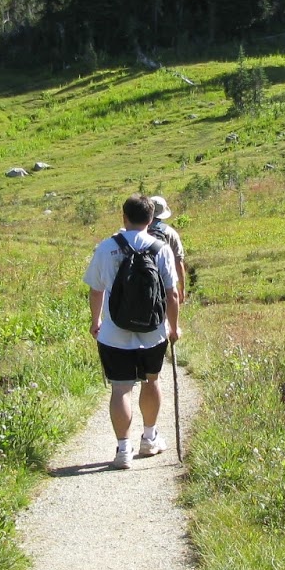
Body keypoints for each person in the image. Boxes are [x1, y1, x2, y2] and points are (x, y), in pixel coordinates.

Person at [83, 194, 181, 469]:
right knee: (152, 381)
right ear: (151, 220)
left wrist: (96, 321)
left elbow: (96, 289)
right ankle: (149, 439)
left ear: (123, 217)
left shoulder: (106, 248)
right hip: (153, 332)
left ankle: (123, 450)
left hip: (115, 333)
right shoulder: (161, 248)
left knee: (121, 389)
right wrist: (173, 327)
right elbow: (172, 294)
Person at [148, 195, 188, 303]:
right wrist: (182, 288)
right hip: (166, 281)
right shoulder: (171, 233)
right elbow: (178, 262)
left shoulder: (140, 231)